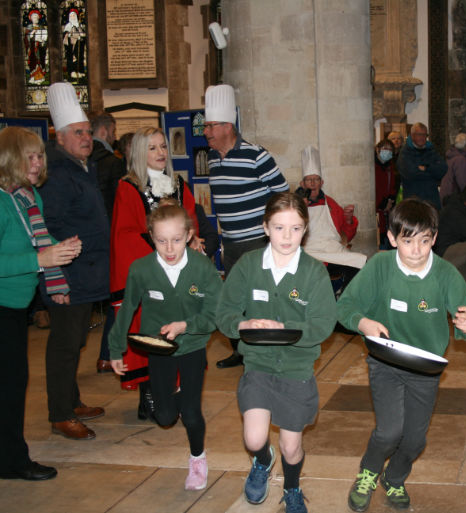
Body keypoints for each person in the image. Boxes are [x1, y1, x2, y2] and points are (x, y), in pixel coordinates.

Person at [338, 198, 466, 512]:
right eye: (407, 241)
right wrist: (363, 322)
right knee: (389, 431)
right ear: (392, 239)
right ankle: (368, 471)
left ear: (434, 237)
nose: (417, 250)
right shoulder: (380, 265)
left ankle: (394, 477)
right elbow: (345, 307)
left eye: (425, 240)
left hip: (425, 368)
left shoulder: (444, 273)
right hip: (385, 362)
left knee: (416, 440)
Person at [216, 192, 336, 513]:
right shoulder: (249, 265)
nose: (287, 237)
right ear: (265, 227)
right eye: (279, 228)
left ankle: (293, 487)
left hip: (297, 370)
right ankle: (262, 462)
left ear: (305, 230)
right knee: (254, 439)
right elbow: (224, 313)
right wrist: (244, 325)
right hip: (257, 364)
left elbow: (324, 325)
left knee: (291, 446)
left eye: (296, 229)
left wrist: (285, 329)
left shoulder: (313, 272)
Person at [109, 202, 221, 491]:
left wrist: (186, 325)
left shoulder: (202, 268)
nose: (169, 248)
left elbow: (215, 312)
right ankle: (179, 398)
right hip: (158, 347)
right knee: (165, 416)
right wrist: (115, 348)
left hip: (192, 344)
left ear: (188, 235)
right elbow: (127, 307)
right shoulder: (141, 269)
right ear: (150, 237)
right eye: (161, 240)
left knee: (192, 413)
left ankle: (198, 459)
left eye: (176, 239)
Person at [0, 127, 82, 481]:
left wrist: (59, 252)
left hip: (17, 307)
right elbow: (27, 254)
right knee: (11, 385)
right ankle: (13, 460)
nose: (37, 164)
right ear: (9, 159)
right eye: (30, 156)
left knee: (14, 383)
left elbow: (38, 237)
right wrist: (41, 259)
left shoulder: (27, 197)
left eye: (39, 156)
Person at [110, 127, 202, 418]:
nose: (161, 153)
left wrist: (192, 238)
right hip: (151, 272)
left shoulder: (178, 183)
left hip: (180, 270)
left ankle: (176, 391)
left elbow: (190, 219)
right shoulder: (129, 186)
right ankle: (149, 392)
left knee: (179, 331)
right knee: (149, 333)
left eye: (163, 146)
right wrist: (159, 254)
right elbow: (124, 233)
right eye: (152, 148)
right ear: (139, 152)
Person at [38, 82, 109, 440]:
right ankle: (60, 413)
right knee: (64, 346)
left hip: (88, 274)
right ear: (61, 137)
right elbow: (48, 231)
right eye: (79, 133)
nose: (87, 138)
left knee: (76, 340)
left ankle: (72, 400)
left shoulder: (82, 166)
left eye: (87, 132)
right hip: (69, 276)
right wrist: (57, 280)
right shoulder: (57, 174)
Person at [205, 84, 289, 369]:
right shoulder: (213, 159)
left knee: (261, 299)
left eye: (210, 127)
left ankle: (266, 350)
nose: (206, 132)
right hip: (230, 243)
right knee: (234, 300)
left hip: (256, 242)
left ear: (228, 126)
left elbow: (282, 194)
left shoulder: (256, 155)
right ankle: (240, 350)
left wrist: (274, 235)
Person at [295, 145, 366, 298]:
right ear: (302, 184)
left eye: (316, 179)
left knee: (359, 260)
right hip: (308, 250)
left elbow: (347, 235)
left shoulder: (331, 204)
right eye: (309, 180)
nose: (313, 183)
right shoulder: (295, 204)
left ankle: (345, 300)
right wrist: (300, 209)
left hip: (332, 249)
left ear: (322, 182)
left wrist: (348, 220)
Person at [90, 111, 127, 374]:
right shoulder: (113, 164)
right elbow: (118, 207)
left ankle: (104, 355)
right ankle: (107, 354)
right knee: (120, 296)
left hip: (87, 242)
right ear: (105, 130)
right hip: (111, 239)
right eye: (113, 131)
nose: (114, 137)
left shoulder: (84, 162)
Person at [397, 123, 447, 210]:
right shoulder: (405, 153)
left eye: (425, 135)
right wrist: (432, 174)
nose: (422, 137)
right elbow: (411, 174)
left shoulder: (431, 150)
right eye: (419, 134)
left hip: (432, 199)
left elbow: (443, 169)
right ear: (412, 135)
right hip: (413, 200)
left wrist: (426, 168)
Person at [374, 139, 399, 249]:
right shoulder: (372, 166)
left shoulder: (390, 166)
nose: (387, 151)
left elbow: (393, 186)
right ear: (378, 149)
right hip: (377, 209)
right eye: (385, 148)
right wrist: (382, 203)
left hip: (387, 210)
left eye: (390, 149)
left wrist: (391, 200)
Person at [439, 133, 466, 204]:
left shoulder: (451, 157)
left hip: (446, 196)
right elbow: (464, 184)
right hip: (455, 198)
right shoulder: (461, 160)